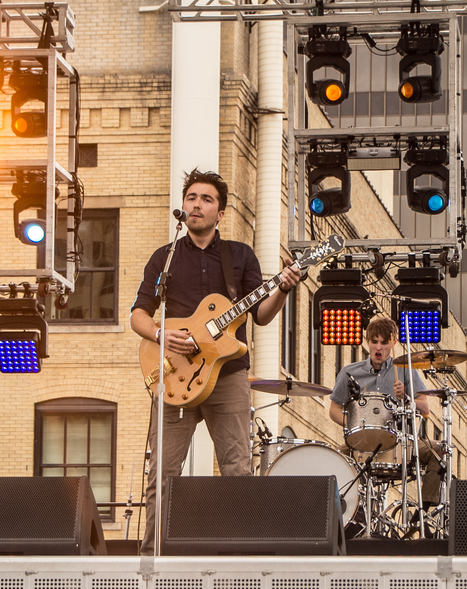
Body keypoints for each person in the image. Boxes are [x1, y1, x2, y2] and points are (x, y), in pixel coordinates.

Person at [131, 168, 302, 555]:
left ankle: (238, 559)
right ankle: (150, 561)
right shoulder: (166, 256)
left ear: (220, 213)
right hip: (176, 377)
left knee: (237, 471)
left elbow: (260, 316)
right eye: (192, 197)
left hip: (227, 377)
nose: (197, 204)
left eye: (206, 199)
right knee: (161, 474)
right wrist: (161, 335)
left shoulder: (239, 256)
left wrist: (285, 290)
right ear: (183, 207)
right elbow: (137, 315)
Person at [329, 315, 442, 508]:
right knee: (331, 460)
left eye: (384, 343)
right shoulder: (350, 372)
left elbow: (425, 409)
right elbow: (334, 410)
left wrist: (406, 397)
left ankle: (423, 510)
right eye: (374, 342)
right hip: (362, 443)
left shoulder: (406, 368)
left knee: (439, 450)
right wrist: (357, 426)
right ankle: (343, 516)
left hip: (401, 442)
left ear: (394, 343)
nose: (378, 348)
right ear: (367, 342)